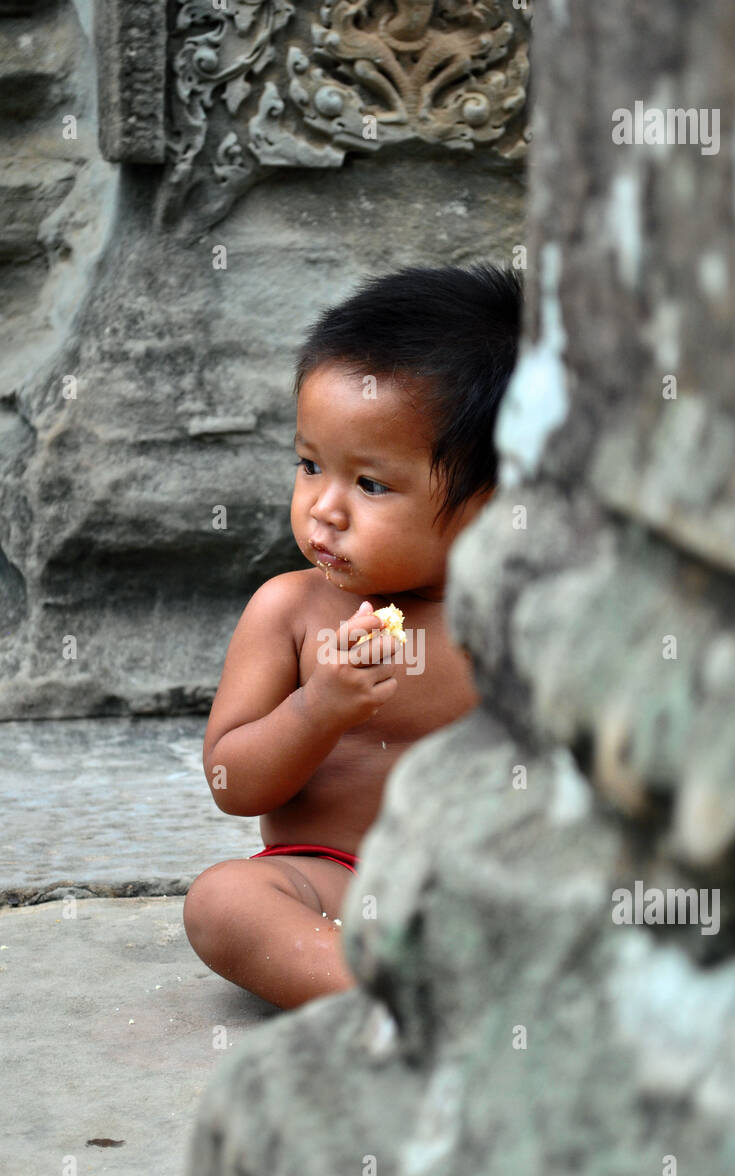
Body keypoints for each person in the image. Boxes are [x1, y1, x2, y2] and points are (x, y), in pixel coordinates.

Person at [183, 261, 521, 1008]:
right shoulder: (289, 613)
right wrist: (318, 710)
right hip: (331, 878)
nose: (323, 510)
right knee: (223, 901)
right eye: (309, 465)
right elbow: (231, 784)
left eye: (371, 484)